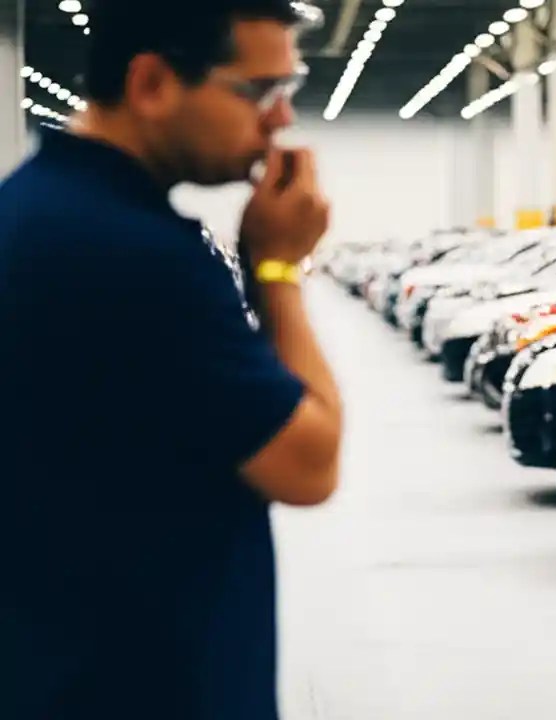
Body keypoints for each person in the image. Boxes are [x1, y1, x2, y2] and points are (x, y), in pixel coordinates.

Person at [0, 1, 343, 718]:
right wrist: (279, 270)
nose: (280, 120)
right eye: (258, 91)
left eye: (290, 88)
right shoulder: (131, 254)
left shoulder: (39, 212)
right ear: (152, 83)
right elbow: (309, 464)